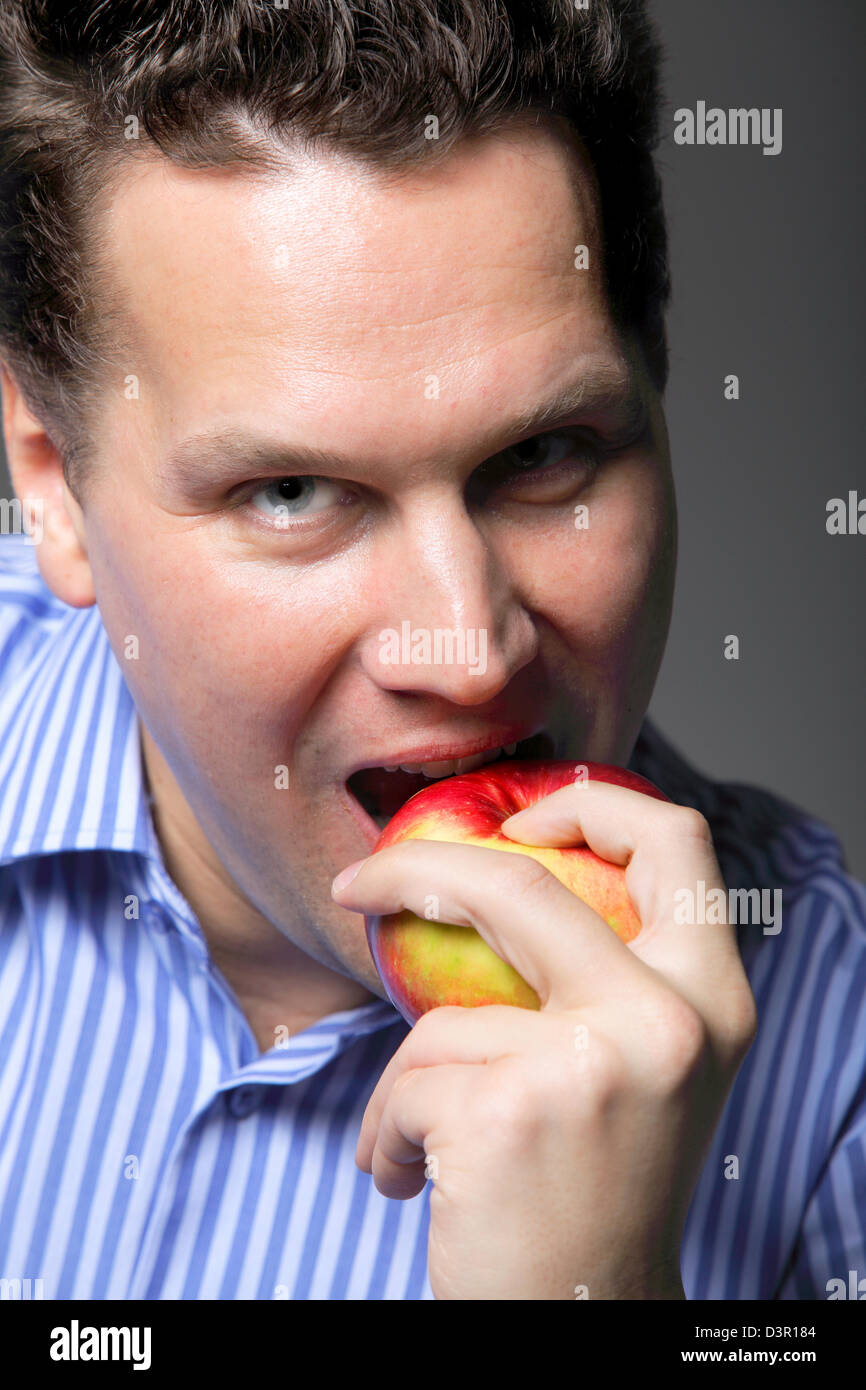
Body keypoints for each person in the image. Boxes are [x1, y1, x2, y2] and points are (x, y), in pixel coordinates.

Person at [0, 0, 862, 1302]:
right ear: (53, 485)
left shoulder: (835, 1072)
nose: (468, 652)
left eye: (540, 454)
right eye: (291, 490)